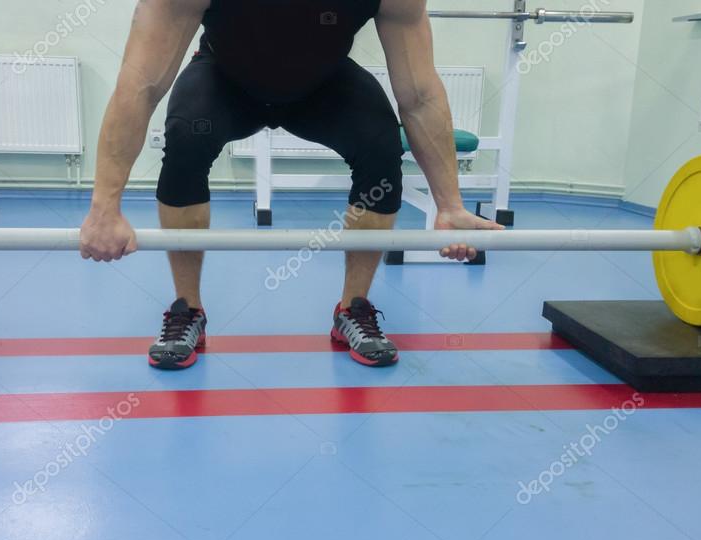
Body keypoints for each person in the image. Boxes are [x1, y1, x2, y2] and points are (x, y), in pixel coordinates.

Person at [79, 0, 504, 369]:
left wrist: (448, 205)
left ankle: (352, 308)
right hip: (224, 78)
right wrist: (104, 209)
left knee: (379, 142)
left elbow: (420, 95)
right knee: (188, 133)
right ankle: (187, 309)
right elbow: (140, 87)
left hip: (322, 83)